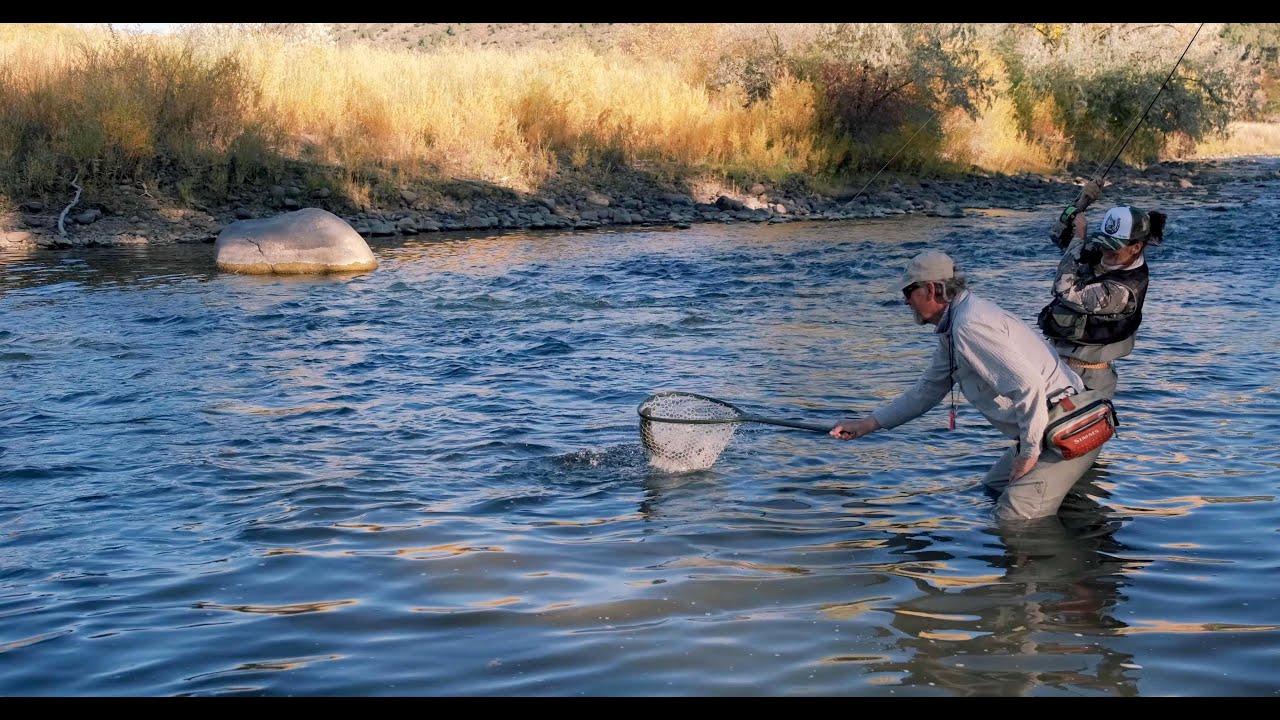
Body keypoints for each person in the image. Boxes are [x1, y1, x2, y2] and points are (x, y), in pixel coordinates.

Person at [830, 251, 1100, 523]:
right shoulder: (956, 326)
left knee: (1013, 518)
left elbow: (1028, 387)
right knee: (994, 488)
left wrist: (1028, 454)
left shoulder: (969, 325)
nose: (905, 301)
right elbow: (926, 391)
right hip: (1050, 424)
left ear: (932, 289)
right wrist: (868, 424)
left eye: (909, 291)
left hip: (1065, 429)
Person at [1038, 205, 1166, 399]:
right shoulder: (1114, 255)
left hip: (1089, 379)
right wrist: (1081, 203)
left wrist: (1080, 238)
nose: (1105, 250)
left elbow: (1063, 289)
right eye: (1103, 243)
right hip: (1059, 365)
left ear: (1136, 247)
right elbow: (1061, 239)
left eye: (1112, 247)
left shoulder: (1122, 291)